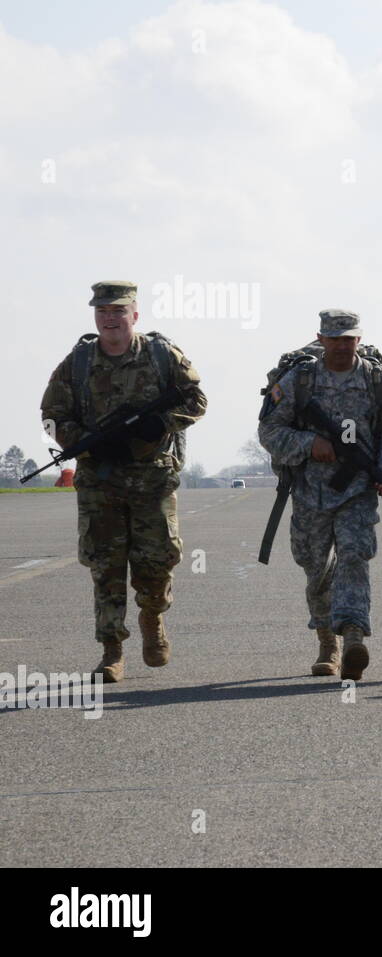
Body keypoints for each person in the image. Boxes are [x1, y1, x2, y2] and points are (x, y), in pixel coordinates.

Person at [39, 280, 207, 682]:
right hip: (101, 479)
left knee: (157, 563)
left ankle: (153, 617)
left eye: (118, 311)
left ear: (135, 314)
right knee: (105, 566)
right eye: (103, 312)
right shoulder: (77, 364)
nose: (110, 319)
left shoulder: (162, 355)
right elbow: (51, 415)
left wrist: (159, 423)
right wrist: (83, 443)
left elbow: (196, 400)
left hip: (153, 479)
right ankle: (111, 651)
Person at [258, 310, 382, 681]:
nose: (342, 346)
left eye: (349, 339)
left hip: (357, 490)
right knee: (315, 570)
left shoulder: (377, 382)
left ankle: (354, 634)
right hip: (310, 491)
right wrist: (311, 443)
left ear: (359, 339)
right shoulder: (300, 381)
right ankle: (328, 640)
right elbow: (269, 432)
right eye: (335, 338)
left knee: (354, 555)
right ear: (321, 339)